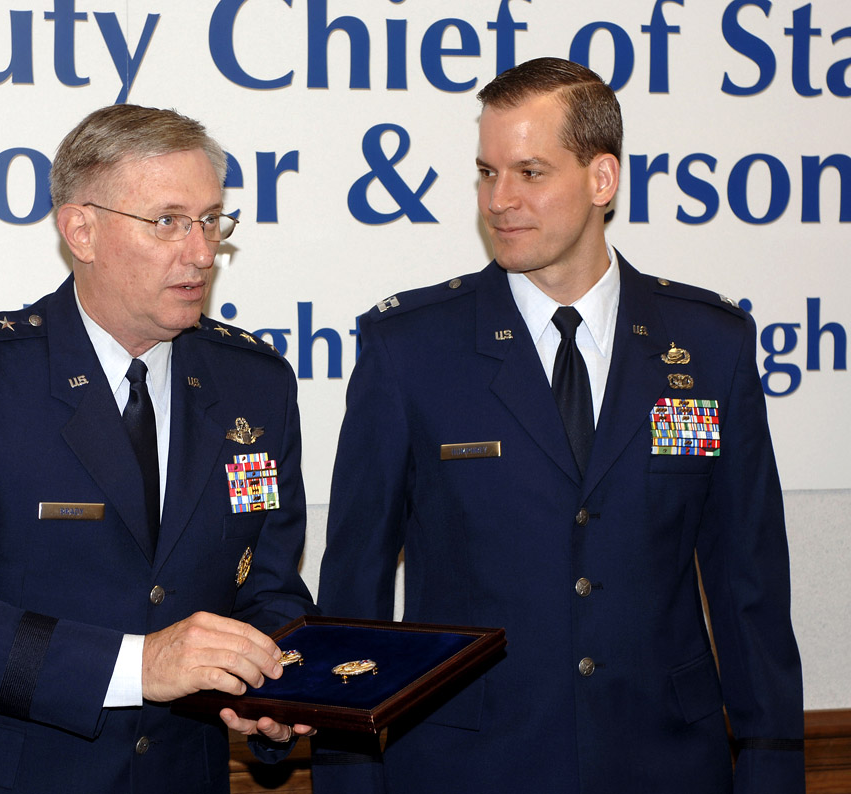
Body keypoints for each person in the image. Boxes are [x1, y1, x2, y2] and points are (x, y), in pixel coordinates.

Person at [312, 58, 804, 793]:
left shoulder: (709, 346)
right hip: (468, 770)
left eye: (530, 173)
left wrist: (770, 765)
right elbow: (356, 593)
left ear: (602, 179)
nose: (499, 200)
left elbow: (749, 586)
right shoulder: (410, 350)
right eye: (487, 173)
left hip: (666, 765)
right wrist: (347, 777)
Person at [0, 104, 316, 793]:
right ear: (82, 230)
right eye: (167, 221)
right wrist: (137, 666)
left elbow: (268, 589)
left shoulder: (254, 384)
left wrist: (277, 694)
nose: (201, 252)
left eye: (209, 220)